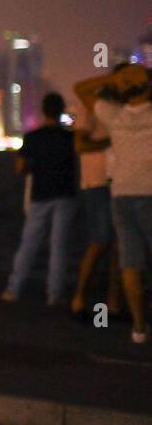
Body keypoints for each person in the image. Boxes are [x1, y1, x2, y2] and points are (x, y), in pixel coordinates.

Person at [75, 63, 152, 343]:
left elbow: (79, 88)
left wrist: (115, 78)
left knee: (130, 262)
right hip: (149, 193)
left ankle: (139, 328)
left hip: (121, 194)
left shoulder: (115, 115)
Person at [2, 92, 78, 305]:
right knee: (59, 245)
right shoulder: (70, 137)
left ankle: (13, 289)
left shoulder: (33, 137)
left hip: (40, 194)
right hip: (65, 194)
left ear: (43, 110)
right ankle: (54, 294)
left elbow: (20, 168)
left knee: (29, 243)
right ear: (62, 110)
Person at [69, 99, 121, 321]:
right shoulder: (90, 107)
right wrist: (116, 140)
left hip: (119, 181)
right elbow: (80, 145)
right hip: (96, 182)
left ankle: (114, 303)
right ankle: (79, 299)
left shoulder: (124, 110)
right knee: (100, 241)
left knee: (119, 246)